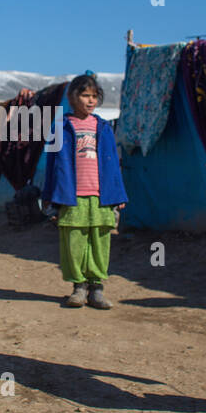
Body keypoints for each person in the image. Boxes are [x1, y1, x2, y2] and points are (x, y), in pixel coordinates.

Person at [42, 74, 128, 309]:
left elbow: (112, 163)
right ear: (72, 97)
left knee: (100, 241)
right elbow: (52, 164)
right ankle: (78, 287)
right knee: (74, 241)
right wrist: (49, 195)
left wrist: (118, 194)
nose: (90, 101)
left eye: (93, 96)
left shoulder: (103, 126)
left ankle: (97, 288)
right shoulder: (60, 126)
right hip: (71, 195)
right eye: (84, 95)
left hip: (101, 196)